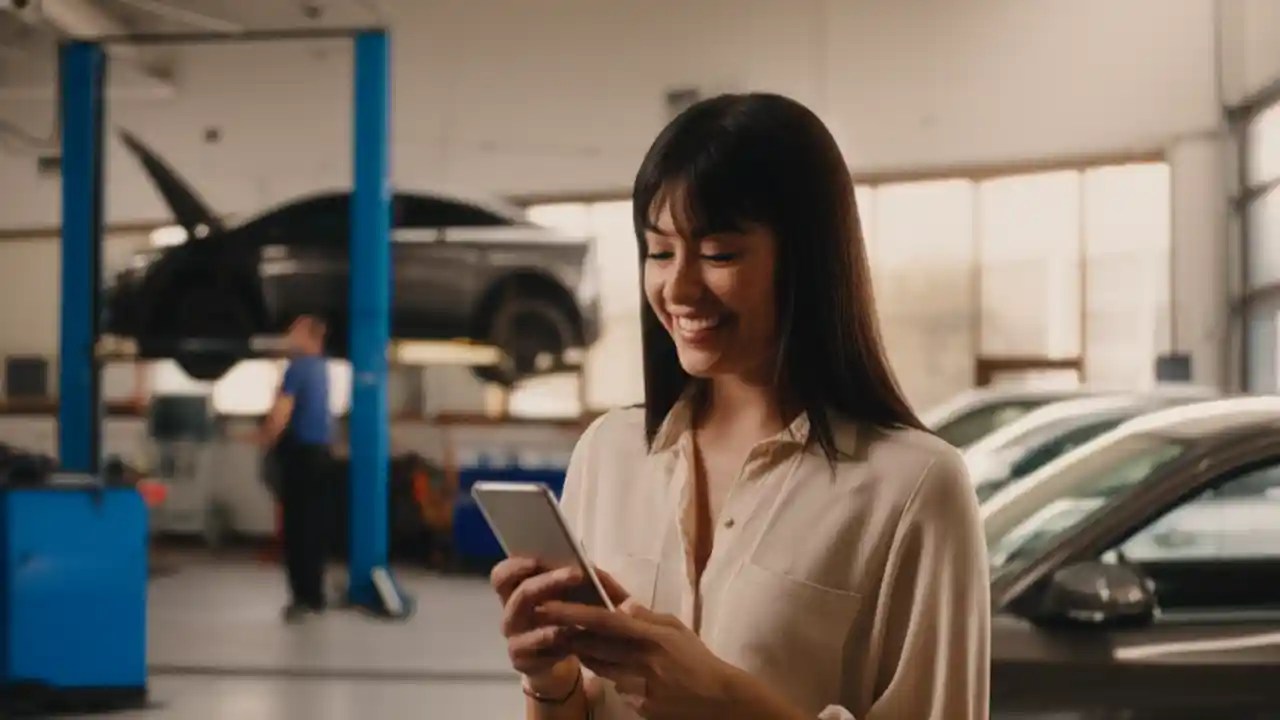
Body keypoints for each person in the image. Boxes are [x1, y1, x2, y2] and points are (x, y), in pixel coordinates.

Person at [489, 93, 990, 720]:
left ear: (807, 258)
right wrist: (550, 678)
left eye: (719, 253)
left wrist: (729, 703)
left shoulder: (913, 488)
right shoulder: (609, 454)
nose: (678, 288)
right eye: (660, 251)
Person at [259, 314, 333, 623]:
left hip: (300, 456)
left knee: (297, 528)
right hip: (320, 455)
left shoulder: (298, 368)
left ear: (311, 337)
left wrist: (266, 442)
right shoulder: (322, 368)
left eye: (295, 332)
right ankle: (315, 596)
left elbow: (282, 412)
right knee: (314, 527)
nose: (289, 337)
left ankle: (301, 597)